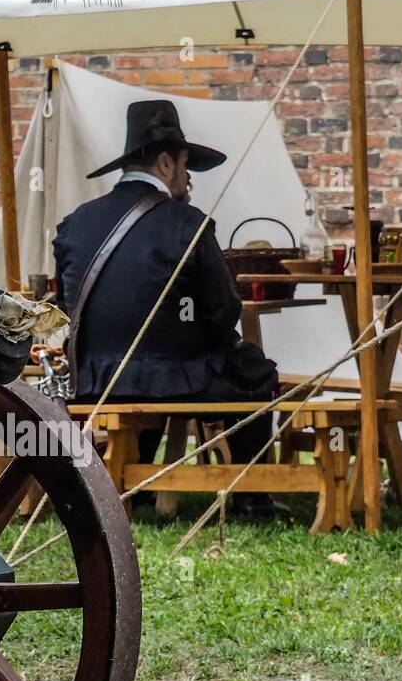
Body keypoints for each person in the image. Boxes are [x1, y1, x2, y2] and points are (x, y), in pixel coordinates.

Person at [52, 98, 284, 518]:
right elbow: (222, 313)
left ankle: (136, 486)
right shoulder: (188, 224)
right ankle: (253, 495)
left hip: (91, 378)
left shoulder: (75, 223)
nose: (187, 178)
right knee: (254, 369)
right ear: (164, 163)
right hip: (174, 379)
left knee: (157, 370)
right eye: (184, 165)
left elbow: (66, 308)